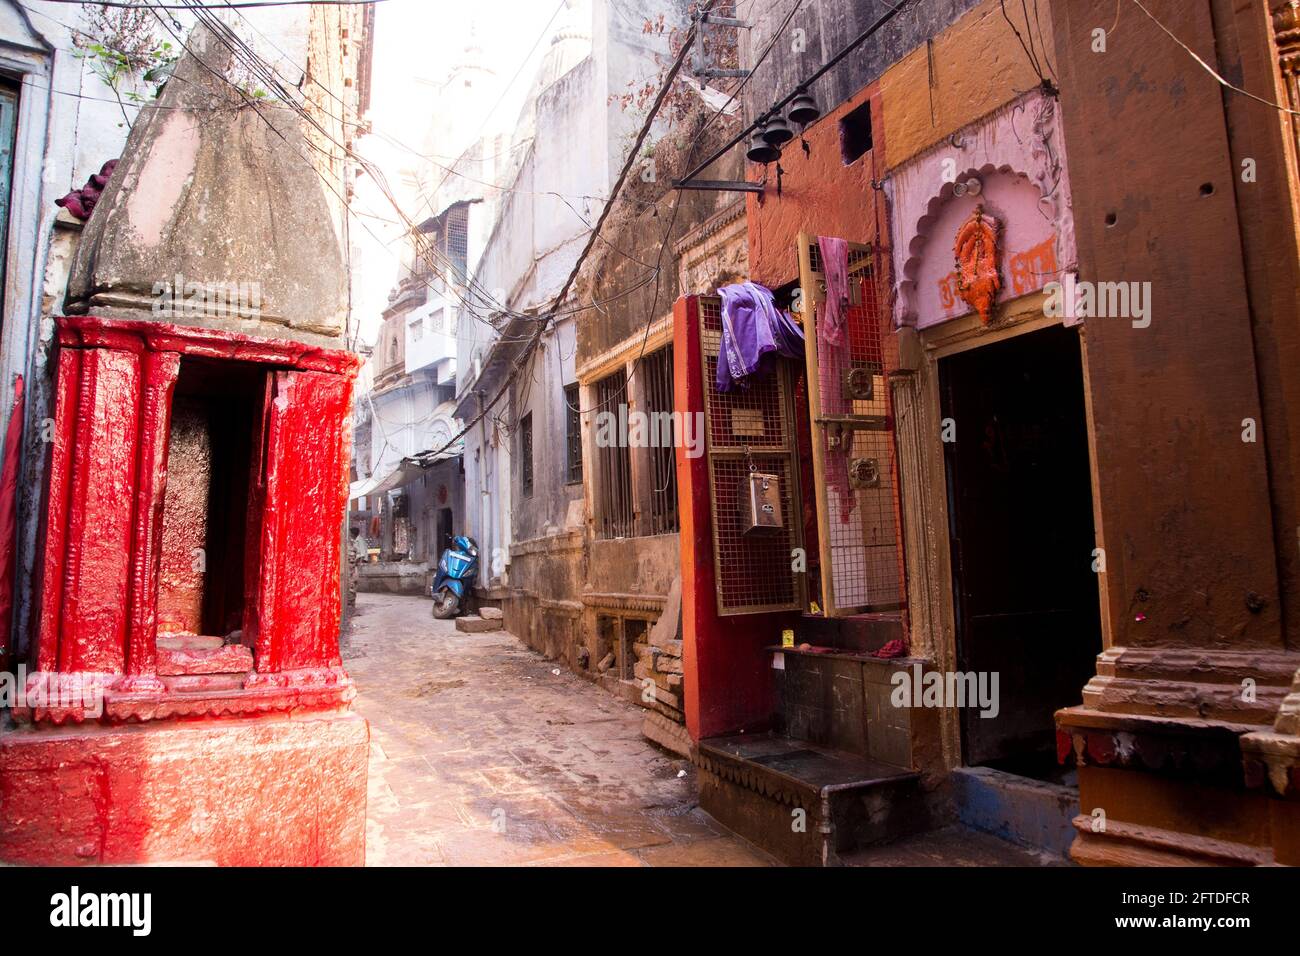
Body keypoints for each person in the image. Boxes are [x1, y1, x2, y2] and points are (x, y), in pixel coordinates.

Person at [348, 527, 368, 606]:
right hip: (355, 561)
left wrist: (358, 563)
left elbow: (362, 554)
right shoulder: (355, 540)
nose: (350, 535)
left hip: (359, 561)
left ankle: (351, 600)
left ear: (353, 534)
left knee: (354, 581)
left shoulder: (360, 540)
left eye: (350, 533)